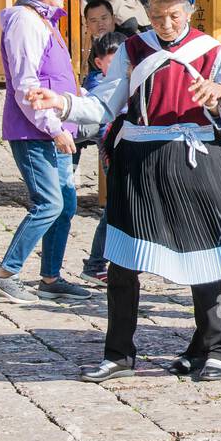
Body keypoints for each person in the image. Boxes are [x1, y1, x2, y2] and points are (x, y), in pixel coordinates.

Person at [28, 0, 221, 382]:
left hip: (195, 158)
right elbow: (106, 103)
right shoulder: (135, 49)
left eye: (174, 15)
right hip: (140, 160)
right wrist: (64, 102)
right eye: (157, 16)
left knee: (207, 256)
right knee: (123, 260)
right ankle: (119, 353)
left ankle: (214, 348)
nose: (167, 24)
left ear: (190, 11)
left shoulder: (213, 52)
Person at [0, 0, 91, 304]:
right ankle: (6, 273)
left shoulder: (44, 20)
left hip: (57, 125)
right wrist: (53, 126)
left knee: (66, 204)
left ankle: (51, 276)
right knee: (48, 203)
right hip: (35, 130)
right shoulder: (24, 21)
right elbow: (25, 83)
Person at [78, 31, 126, 285]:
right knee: (114, 210)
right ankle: (96, 264)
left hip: (129, 151)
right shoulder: (98, 84)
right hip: (114, 155)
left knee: (120, 210)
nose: (119, 65)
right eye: (112, 60)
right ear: (99, 63)